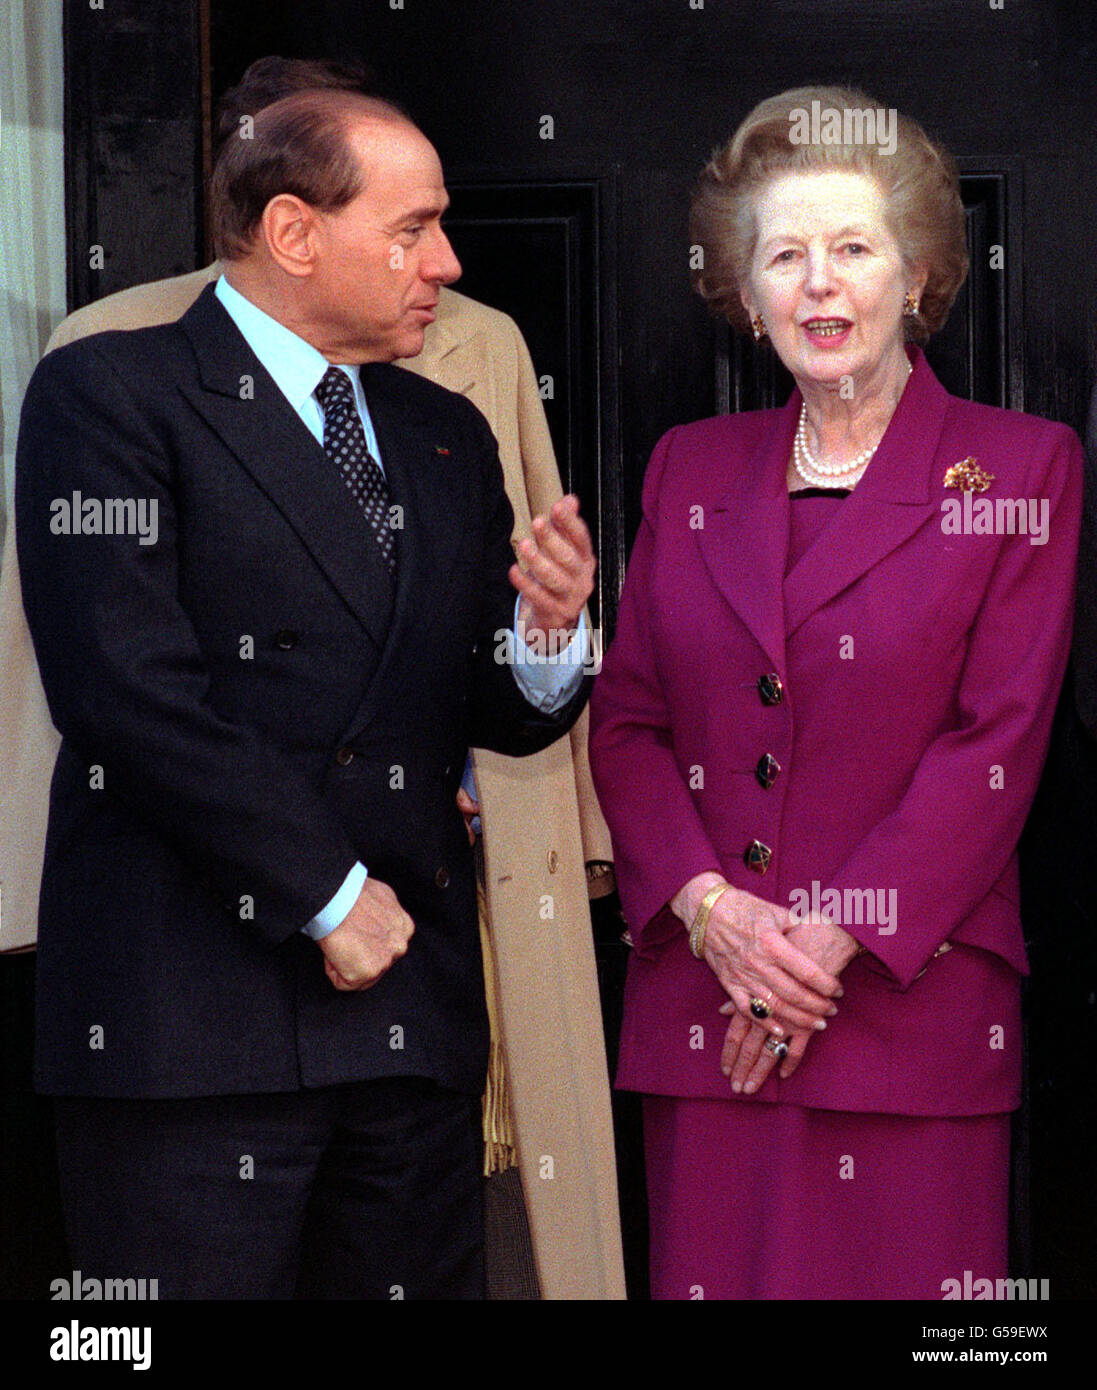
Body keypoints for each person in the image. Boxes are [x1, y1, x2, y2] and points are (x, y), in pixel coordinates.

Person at [0, 57, 624, 1300]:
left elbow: (480, 707)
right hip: (187, 1031)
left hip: (404, 1031)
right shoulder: (108, 391)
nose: (445, 263)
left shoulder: (443, 433)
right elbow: (127, 693)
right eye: (412, 229)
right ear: (292, 231)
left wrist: (549, 633)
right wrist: (331, 898)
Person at [589, 85, 1083, 1300]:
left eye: (852, 250)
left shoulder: (1018, 469)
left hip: (902, 1022)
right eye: (784, 257)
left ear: (914, 276)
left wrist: (821, 940)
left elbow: (995, 744)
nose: (819, 285)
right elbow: (631, 720)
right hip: (708, 1027)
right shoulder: (687, 468)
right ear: (743, 297)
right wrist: (714, 918)